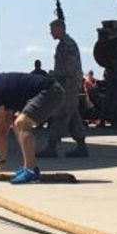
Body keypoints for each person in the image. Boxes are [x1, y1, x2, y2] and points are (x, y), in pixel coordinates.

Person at [0, 67, 65, 184]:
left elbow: (0, 131)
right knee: (17, 124)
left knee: (21, 123)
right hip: (51, 90)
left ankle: (31, 172)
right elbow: (6, 122)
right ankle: (28, 167)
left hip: (50, 91)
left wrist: (0, 164)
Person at [40, 19, 88, 158]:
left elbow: (69, 67)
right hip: (68, 85)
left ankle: (51, 146)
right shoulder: (64, 44)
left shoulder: (67, 45)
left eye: (53, 29)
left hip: (68, 85)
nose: (51, 33)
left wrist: (53, 74)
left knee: (60, 114)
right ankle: (81, 146)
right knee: (73, 116)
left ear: (60, 28)